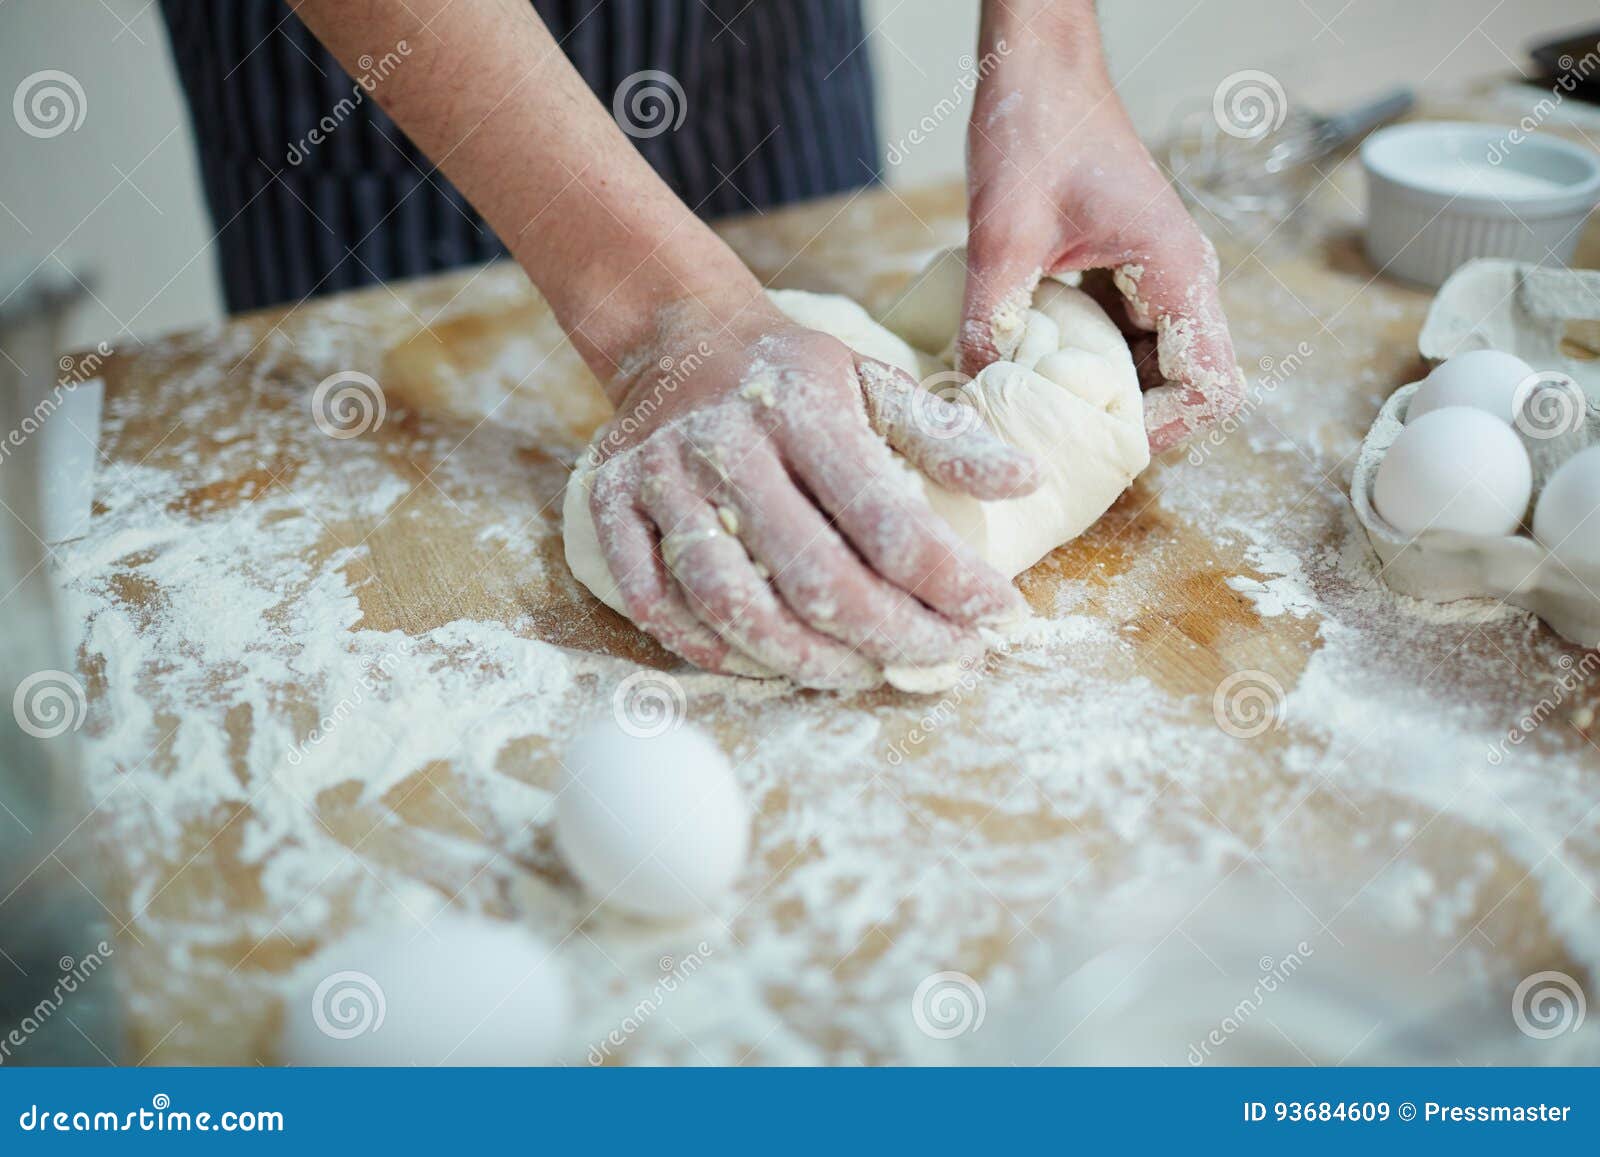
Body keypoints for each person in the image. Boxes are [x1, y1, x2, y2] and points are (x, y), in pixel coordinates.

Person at [162, 0, 1241, 687]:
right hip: (402, 72)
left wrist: (1050, 54)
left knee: (792, 399)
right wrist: (659, 318)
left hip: (756, 41)